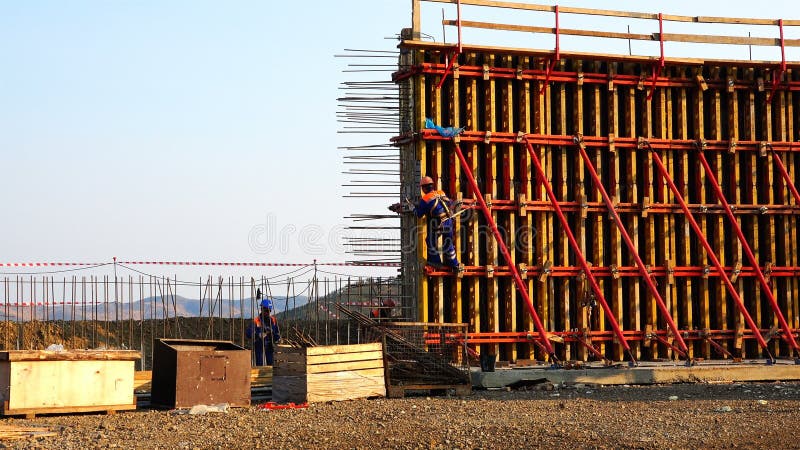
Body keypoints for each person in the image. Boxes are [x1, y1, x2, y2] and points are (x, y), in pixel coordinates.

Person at [389, 176, 460, 268]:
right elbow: (447, 204)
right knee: (448, 243)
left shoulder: (425, 199)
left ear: (424, 188)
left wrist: (412, 208)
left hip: (439, 224)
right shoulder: (441, 193)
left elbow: (419, 214)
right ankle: (454, 264)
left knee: (430, 241)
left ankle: (436, 262)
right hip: (449, 222)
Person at [246, 298, 280, 366]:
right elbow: (248, 333)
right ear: (262, 309)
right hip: (259, 345)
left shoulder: (273, 320)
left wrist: (274, 335)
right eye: (266, 310)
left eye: (269, 311)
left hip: (270, 345)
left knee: (270, 364)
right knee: (259, 364)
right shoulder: (256, 320)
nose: (268, 312)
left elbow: (277, 334)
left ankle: (270, 375)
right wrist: (257, 335)